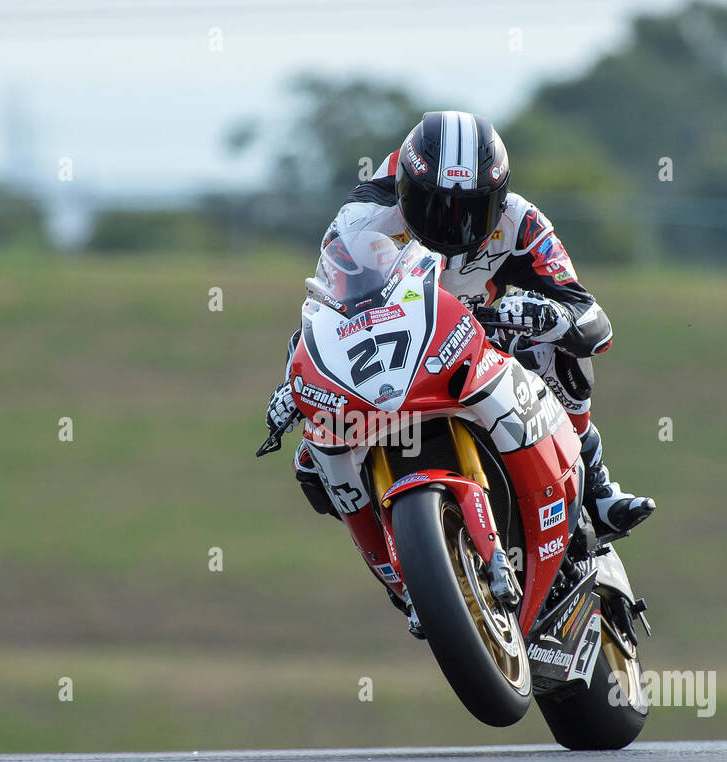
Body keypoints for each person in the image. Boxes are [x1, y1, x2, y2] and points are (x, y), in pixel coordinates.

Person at [266, 109, 654, 537]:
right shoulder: (360, 220)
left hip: (482, 346)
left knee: (562, 351)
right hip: (393, 357)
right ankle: (389, 548)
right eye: (433, 207)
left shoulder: (520, 221)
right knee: (312, 463)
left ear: (499, 197)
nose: (451, 226)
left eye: (471, 211)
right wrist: (294, 386)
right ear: (404, 190)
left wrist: (546, 316)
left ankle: (593, 483)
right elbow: (323, 312)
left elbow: (593, 321)